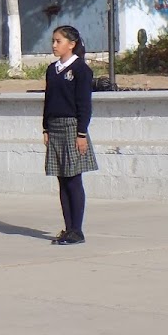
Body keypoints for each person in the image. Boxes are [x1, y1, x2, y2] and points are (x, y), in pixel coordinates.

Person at [43, 25, 97, 246]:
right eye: (53, 41)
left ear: (71, 44)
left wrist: (81, 133)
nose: (54, 45)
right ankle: (68, 227)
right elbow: (48, 101)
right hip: (54, 127)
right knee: (62, 179)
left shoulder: (81, 70)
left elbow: (84, 104)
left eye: (59, 41)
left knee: (74, 179)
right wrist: (45, 127)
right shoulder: (52, 69)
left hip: (72, 127)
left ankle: (77, 229)